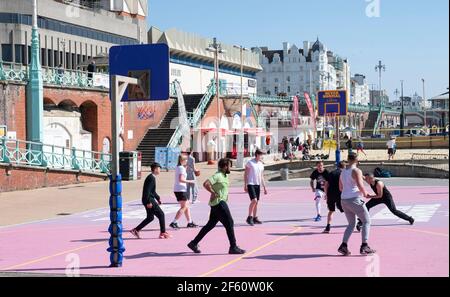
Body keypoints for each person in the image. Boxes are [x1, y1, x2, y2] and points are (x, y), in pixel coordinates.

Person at [187, 159, 246, 255]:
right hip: (219, 203)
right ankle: (233, 247)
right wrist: (213, 192)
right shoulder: (218, 175)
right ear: (224, 166)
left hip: (216, 204)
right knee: (230, 222)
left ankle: (193, 243)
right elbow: (206, 183)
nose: (230, 167)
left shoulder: (225, 176)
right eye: (229, 165)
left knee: (210, 225)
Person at [338, 153, 376, 256]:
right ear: (356, 159)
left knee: (351, 224)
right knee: (366, 221)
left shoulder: (343, 172)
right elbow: (360, 185)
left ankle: (343, 246)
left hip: (344, 200)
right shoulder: (356, 170)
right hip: (354, 199)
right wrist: (365, 193)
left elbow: (340, 187)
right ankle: (364, 245)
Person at [130, 163, 171, 239]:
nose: (160, 170)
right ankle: (163, 233)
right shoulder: (151, 178)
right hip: (149, 200)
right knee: (161, 214)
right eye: (159, 168)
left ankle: (136, 230)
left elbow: (152, 191)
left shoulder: (152, 177)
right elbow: (147, 191)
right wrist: (148, 202)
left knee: (150, 218)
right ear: (155, 169)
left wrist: (158, 198)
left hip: (148, 199)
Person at [170, 155, 198, 229]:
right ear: (182, 160)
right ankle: (174, 222)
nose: (186, 161)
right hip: (181, 189)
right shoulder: (181, 168)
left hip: (178, 189)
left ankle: (190, 222)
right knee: (184, 206)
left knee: (186, 206)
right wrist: (191, 181)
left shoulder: (178, 167)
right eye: (185, 160)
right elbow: (181, 179)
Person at [245, 149, 268, 226]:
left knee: (256, 202)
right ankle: (249, 217)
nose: (262, 156)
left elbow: (262, 176)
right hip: (250, 184)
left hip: (257, 184)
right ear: (257, 155)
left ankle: (254, 218)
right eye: (261, 154)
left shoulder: (261, 164)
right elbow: (245, 174)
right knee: (254, 200)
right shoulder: (250, 163)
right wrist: (245, 184)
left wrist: (264, 187)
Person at [322, 161, 346, 234]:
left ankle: (328, 227)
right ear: (344, 167)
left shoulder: (331, 173)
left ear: (338, 166)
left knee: (331, 211)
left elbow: (326, 185)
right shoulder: (344, 174)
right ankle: (356, 223)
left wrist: (326, 194)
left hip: (331, 194)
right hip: (340, 195)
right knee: (347, 210)